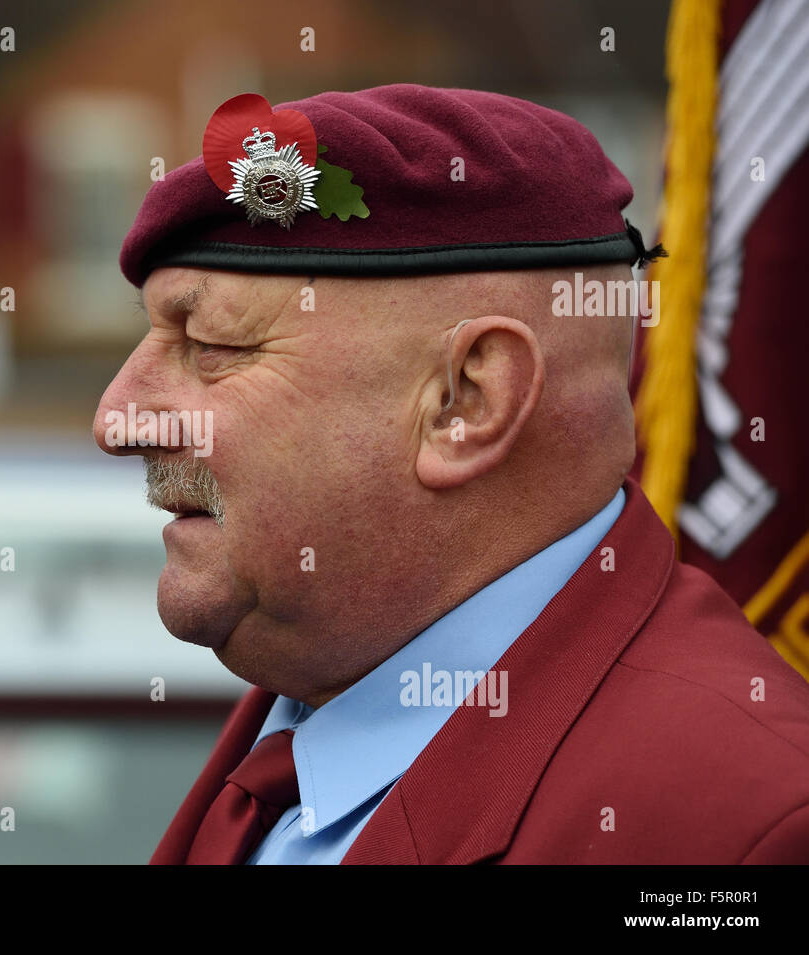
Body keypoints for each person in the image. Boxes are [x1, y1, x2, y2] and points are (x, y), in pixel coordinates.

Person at [93, 85, 809, 864]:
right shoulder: (296, 730)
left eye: (212, 349)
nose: (118, 418)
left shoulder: (743, 832)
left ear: (468, 399)